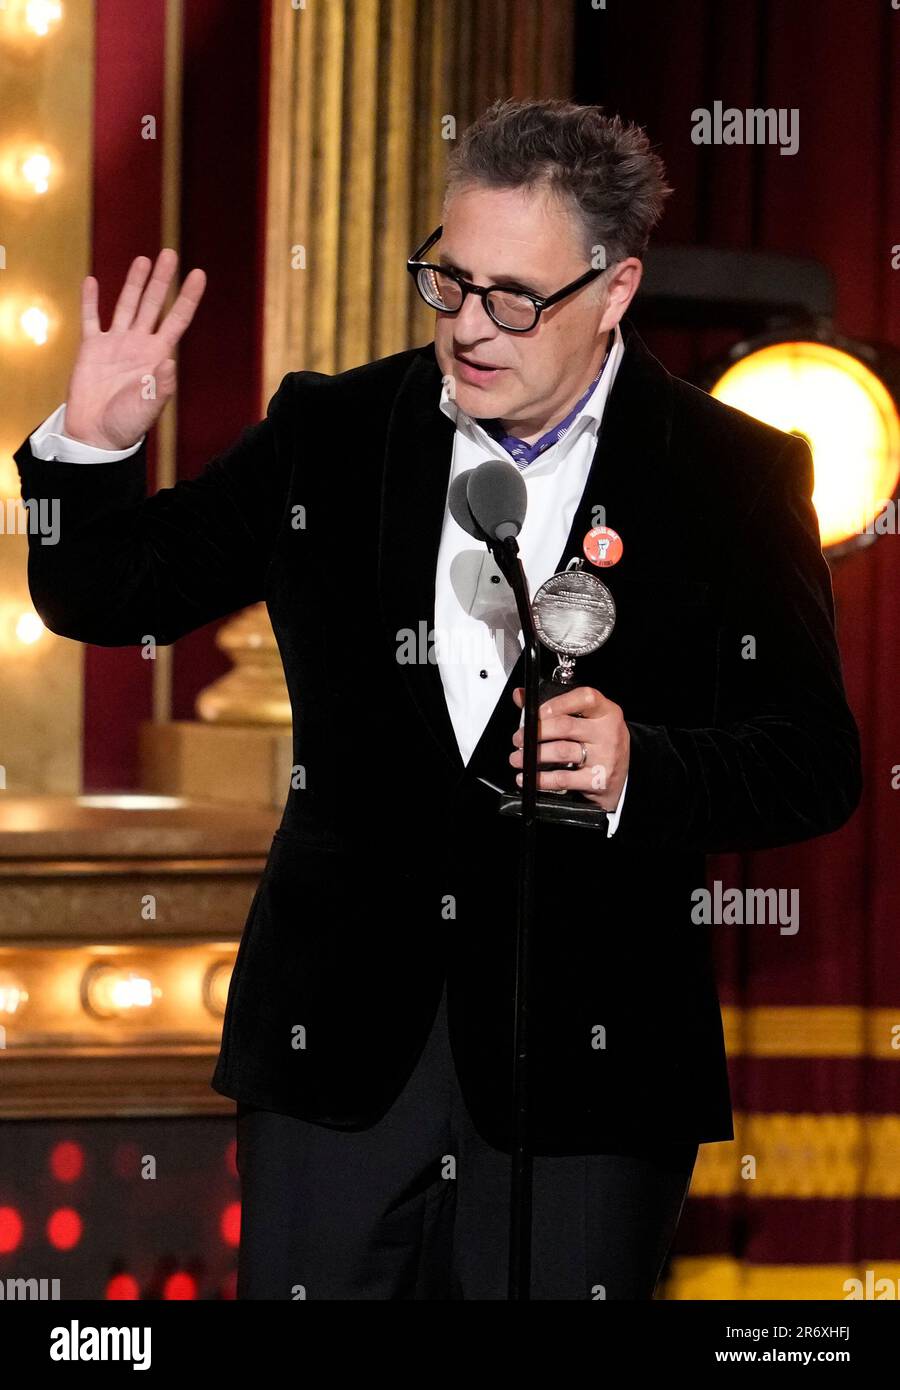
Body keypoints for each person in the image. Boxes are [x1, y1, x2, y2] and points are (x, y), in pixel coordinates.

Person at [14, 98, 862, 1300]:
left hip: (590, 1069)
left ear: (615, 290)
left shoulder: (731, 469)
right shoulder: (334, 431)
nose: (470, 326)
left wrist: (643, 769)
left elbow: (816, 761)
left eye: (515, 297)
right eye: (449, 281)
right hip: (338, 1052)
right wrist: (89, 453)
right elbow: (102, 593)